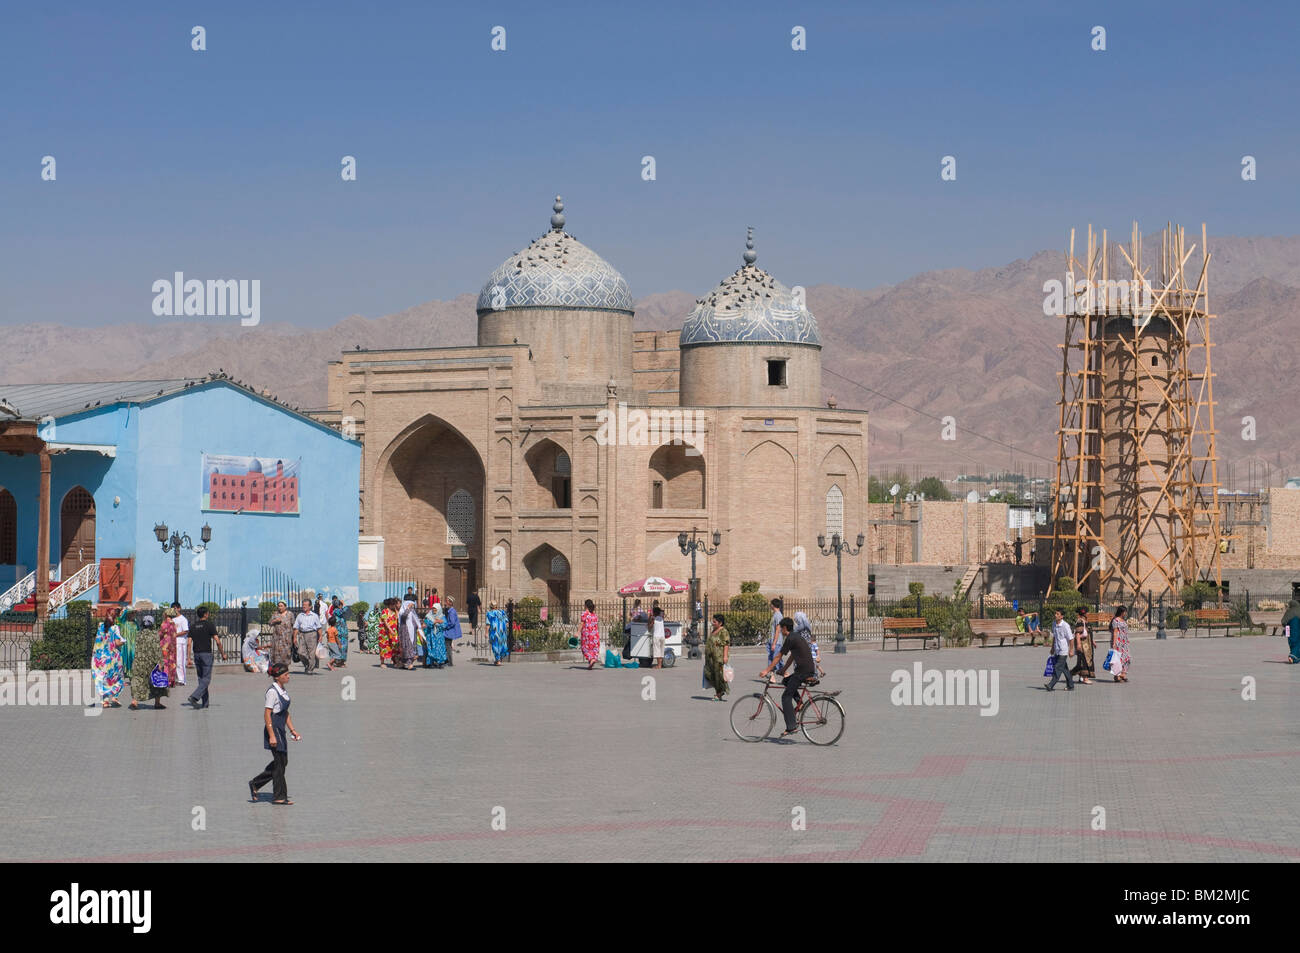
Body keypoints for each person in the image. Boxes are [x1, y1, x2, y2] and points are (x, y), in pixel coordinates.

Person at [248, 663, 300, 806]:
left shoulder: (282, 690)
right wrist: (271, 735)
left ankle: (255, 783)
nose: (288, 677)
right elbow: (267, 714)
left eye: (288, 674)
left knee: (282, 761)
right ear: (278, 677)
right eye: (285, 675)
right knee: (279, 763)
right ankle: (279, 796)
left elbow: (285, 712)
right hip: (274, 728)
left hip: (281, 728)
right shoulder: (272, 692)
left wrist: (292, 730)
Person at [759, 617, 814, 737]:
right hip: (807, 669)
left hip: (802, 671)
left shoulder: (790, 638)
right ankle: (800, 704)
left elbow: (778, 656)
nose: (780, 631)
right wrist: (783, 669)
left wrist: (767, 670)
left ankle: (791, 727)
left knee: (785, 697)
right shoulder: (795, 636)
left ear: (784, 628)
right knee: (786, 681)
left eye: (780, 629)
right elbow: (792, 656)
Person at [186, 605, 225, 708]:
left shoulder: (193, 626)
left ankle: (205, 703)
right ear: (206, 614)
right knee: (206, 679)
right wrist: (223, 654)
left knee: (201, 679)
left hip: (197, 655)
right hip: (206, 654)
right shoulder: (209, 625)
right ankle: (194, 696)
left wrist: (189, 658)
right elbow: (217, 641)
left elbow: (189, 643)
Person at [129, 614, 169, 710]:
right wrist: (160, 662)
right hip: (151, 662)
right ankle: (157, 703)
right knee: (156, 681)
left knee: (138, 681)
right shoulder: (154, 634)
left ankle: (134, 702)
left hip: (139, 662)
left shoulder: (138, 634)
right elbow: (157, 650)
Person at [91, 610, 126, 709]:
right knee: (116, 678)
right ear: (115, 617)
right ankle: (115, 697)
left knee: (103, 679)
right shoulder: (115, 628)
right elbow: (117, 643)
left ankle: (105, 701)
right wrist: (124, 641)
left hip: (99, 658)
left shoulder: (100, 626)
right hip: (111, 658)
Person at [1045, 609, 1075, 691]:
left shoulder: (1065, 626)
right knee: (1064, 669)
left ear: (1061, 616)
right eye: (1055, 613)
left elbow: (1071, 639)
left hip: (1063, 650)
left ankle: (1051, 685)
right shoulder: (1054, 624)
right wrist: (1052, 648)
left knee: (1057, 667)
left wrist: (1071, 650)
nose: (1055, 615)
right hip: (1057, 649)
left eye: (1057, 614)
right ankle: (1071, 685)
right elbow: (1054, 636)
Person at [703, 613, 731, 700]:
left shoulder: (723, 631)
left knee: (719, 676)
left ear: (720, 623)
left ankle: (719, 693)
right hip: (711, 658)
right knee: (710, 674)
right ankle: (719, 692)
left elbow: (726, 644)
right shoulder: (714, 630)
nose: (712, 623)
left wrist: (725, 656)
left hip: (719, 657)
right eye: (713, 621)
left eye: (714, 622)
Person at [792, 611, 825, 678]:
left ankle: (799, 676)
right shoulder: (807, 626)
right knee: (809, 662)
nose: (795, 620)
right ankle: (813, 676)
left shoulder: (800, 627)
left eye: (796, 619)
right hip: (807, 647)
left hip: (801, 648)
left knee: (797, 662)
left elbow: (795, 634)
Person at [294, 598, 323, 674]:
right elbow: (296, 627)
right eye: (303, 605)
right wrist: (294, 637)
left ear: (310, 606)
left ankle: (310, 669)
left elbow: (319, 627)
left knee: (311, 653)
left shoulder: (314, 616)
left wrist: (320, 636)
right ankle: (307, 664)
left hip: (312, 634)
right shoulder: (300, 615)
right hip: (302, 634)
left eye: (305, 605)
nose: (304, 606)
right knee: (300, 652)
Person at [159, 608, 180, 699]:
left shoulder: (164, 624)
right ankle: (172, 681)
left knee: (165, 662)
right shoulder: (174, 624)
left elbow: (160, 634)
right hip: (172, 645)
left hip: (165, 645)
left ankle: (165, 680)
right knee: (172, 662)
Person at [1071, 606, 1094, 684]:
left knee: (1083, 661)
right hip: (1083, 645)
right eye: (1088, 612)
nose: (1089, 613)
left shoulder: (1086, 622)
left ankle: (1073, 674)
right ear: (1084, 613)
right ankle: (1085, 678)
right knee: (1084, 660)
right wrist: (1078, 644)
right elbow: (1077, 633)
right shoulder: (1080, 622)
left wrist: (1093, 642)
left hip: (1088, 645)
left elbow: (1089, 633)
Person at [268, 601, 294, 667]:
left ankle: (285, 667)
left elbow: (294, 625)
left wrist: (294, 636)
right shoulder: (275, 614)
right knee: (277, 653)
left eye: (281, 606)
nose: (280, 607)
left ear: (285, 606)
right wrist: (275, 621)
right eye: (279, 606)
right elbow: (270, 623)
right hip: (277, 638)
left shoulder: (290, 614)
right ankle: (277, 667)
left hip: (287, 638)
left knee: (286, 653)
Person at [1110, 605, 1131, 682]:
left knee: (1126, 658)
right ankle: (1117, 676)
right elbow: (1115, 632)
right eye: (1125, 612)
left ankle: (1123, 674)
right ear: (1122, 612)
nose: (1126, 613)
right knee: (1117, 659)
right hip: (1118, 642)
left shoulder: (1123, 620)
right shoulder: (1115, 620)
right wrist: (1114, 643)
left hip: (1124, 642)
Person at [399, 594, 420, 670]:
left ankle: (406, 662)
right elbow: (404, 616)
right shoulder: (402, 610)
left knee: (411, 646)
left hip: (412, 631)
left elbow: (415, 620)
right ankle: (408, 663)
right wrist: (408, 608)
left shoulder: (412, 611)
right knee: (406, 646)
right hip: (405, 631)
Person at [377, 598, 400, 668]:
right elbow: (385, 622)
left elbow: (398, 618)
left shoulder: (394, 612)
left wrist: (396, 610)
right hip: (384, 633)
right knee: (384, 647)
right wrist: (390, 630)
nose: (394, 605)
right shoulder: (385, 611)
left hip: (393, 633)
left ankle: (395, 661)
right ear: (390, 605)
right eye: (393, 604)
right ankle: (382, 662)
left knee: (395, 647)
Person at [172, 602, 190, 687]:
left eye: (175, 608)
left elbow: (186, 630)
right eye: (173, 608)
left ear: (179, 608)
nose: (174, 610)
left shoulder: (183, 619)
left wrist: (176, 634)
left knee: (180, 661)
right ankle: (175, 678)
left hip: (180, 642)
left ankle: (182, 680)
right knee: (174, 661)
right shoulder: (172, 619)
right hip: (173, 643)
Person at [767, 598, 784, 684]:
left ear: (773, 605)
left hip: (776, 642)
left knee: (776, 659)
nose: (770, 605)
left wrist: (774, 643)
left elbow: (778, 630)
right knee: (772, 658)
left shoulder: (778, 615)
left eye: (771, 604)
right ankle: (772, 676)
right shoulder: (775, 615)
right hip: (772, 640)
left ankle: (786, 674)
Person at [579, 599, 600, 670]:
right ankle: (592, 660)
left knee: (585, 648)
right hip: (595, 635)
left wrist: (577, 632)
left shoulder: (584, 614)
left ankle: (591, 659)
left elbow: (582, 624)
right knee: (593, 648)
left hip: (587, 635)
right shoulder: (595, 615)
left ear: (585, 606)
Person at [443, 596, 463, 666]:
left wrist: (445, 626)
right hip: (449, 631)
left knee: (447, 646)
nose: (445, 602)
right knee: (448, 646)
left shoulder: (451, 612)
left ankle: (449, 661)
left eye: (447, 601)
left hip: (449, 632)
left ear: (450, 603)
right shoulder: (449, 610)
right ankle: (448, 660)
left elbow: (452, 622)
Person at [330, 596, 349, 667]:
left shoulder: (338, 611)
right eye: (340, 604)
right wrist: (345, 604)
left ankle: (342, 662)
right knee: (340, 647)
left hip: (343, 633)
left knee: (344, 648)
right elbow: (344, 610)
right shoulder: (336, 611)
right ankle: (337, 661)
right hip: (339, 633)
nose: (342, 605)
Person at [648, 605, 666, 669]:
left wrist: (649, 616)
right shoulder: (661, 619)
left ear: (654, 613)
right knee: (661, 651)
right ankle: (660, 664)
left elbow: (649, 627)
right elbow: (663, 613)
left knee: (657, 651)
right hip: (662, 636)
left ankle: (659, 665)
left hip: (657, 637)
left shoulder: (654, 619)